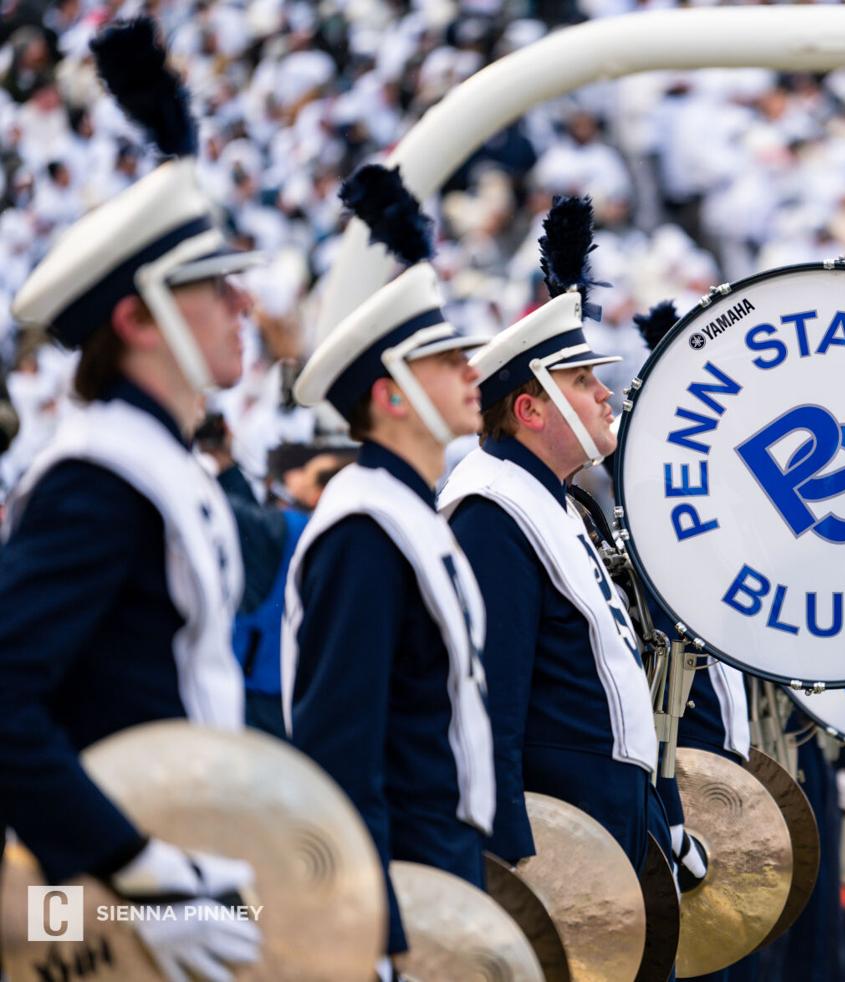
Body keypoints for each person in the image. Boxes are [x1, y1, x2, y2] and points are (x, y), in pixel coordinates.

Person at [0, 18, 263, 980]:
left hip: (179, 866)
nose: (243, 305)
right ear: (135, 318)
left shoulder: (156, 460)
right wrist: (134, 867)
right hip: (122, 904)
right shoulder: (96, 475)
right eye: (211, 288)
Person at [281, 164, 494, 975]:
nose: (473, 372)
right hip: (401, 887)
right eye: (447, 362)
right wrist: (368, 926)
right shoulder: (364, 528)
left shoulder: (407, 509)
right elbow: (341, 748)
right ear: (393, 393)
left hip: (440, 863)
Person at [440, 196, 662, 875]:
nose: (605, 394)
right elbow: (490, 708)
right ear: (530, 408)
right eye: (584, 379)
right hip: (554, 832)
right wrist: (512, 862)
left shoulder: (556, 502)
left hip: (604, 815)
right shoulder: (492, 508)